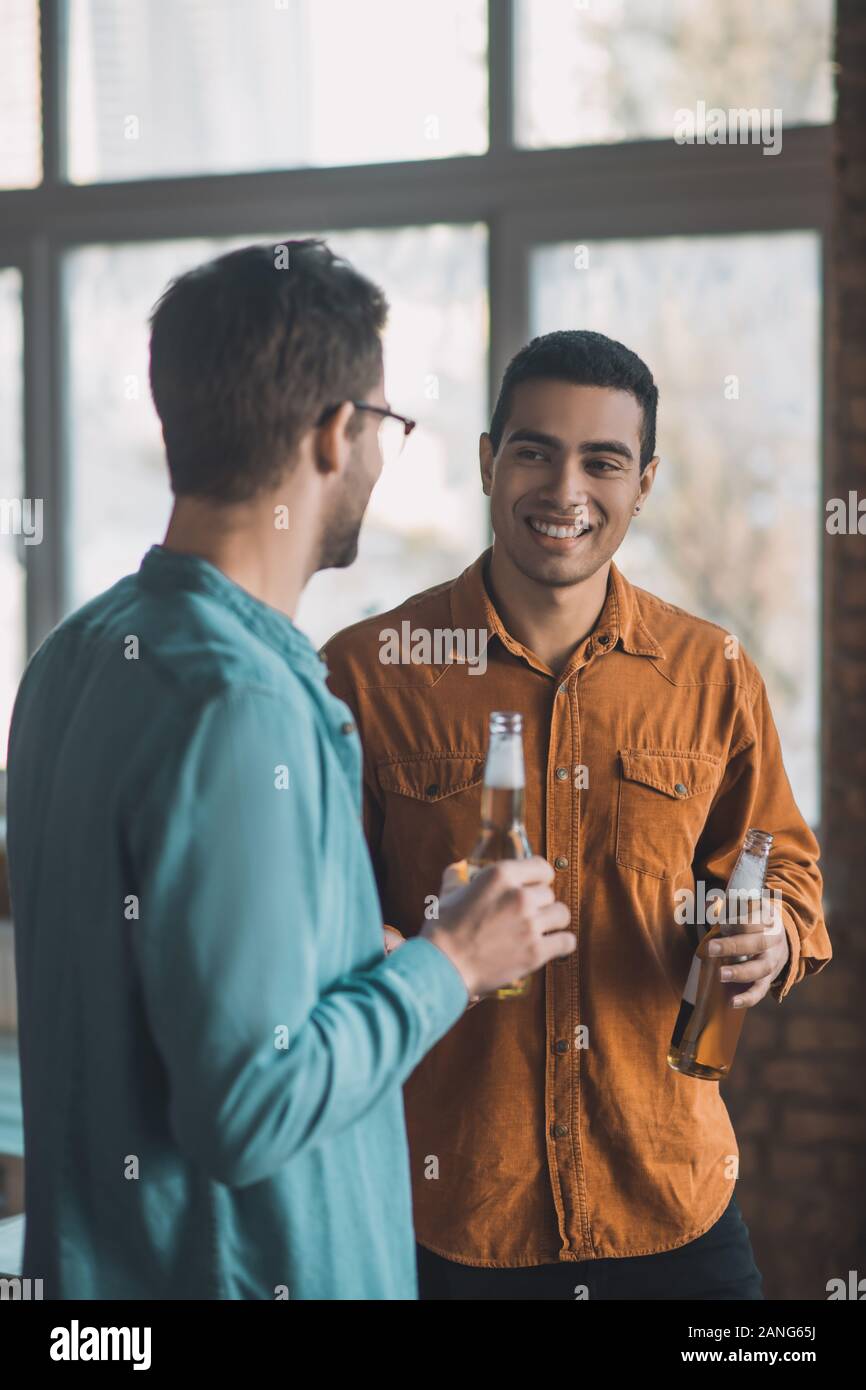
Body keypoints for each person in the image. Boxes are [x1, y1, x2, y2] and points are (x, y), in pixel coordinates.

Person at [4, 241, 575, 1300]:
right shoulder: (242, 704)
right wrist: (449, 962)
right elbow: (249, 1106)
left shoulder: (73, 657)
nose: (377, 455)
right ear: (335, 433)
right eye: (385, 428)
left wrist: (362, 958)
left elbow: (178, 990)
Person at [323, 329, 832, 1300]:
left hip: (671, 1205)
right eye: (532, 450)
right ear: (486, 460)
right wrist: (406, 947)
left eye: (601, 461)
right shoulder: (366, 672)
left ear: (642, 482)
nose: (564, 489)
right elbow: (314, 941)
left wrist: (774, 936)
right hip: (446, 1214)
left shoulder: (711, 672)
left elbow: (787, 875)